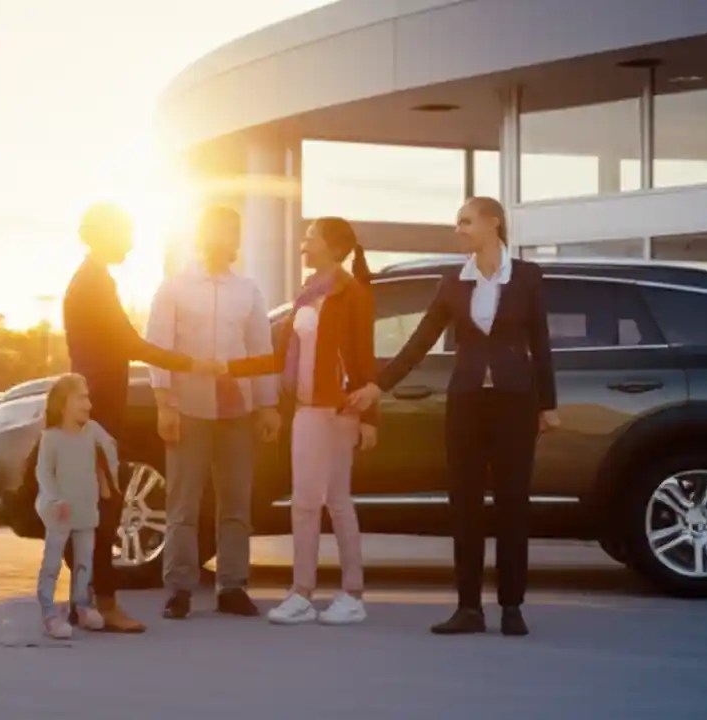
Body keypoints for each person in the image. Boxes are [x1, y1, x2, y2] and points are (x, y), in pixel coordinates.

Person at [347, 197, 559, 637]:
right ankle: (468, 608)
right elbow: (421, 339)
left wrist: (547, 405)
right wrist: (378, 386)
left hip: (515, 402)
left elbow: (540, 341)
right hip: (466, 403)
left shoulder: (527, 276)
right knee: (464, 506)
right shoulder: (453, 282)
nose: (458, 229)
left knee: (512, 505)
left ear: (493, 223)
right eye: (457, 223)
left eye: (465, 221)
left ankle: (512, 607)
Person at [63, 202, 221, 633]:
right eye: (125, 234)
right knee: (103, 507)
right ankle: (105, 604)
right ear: (105, 235)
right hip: (96, 408)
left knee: (91, 507)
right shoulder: (94, 283)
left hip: (89, 405)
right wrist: (191, 363)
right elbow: (130, 343)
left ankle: (84, 603)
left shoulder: (90, 279)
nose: (131, 243)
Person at [227, 216, 377, 626]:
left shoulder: (352, 293)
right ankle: (303, 593)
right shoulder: (308, 294)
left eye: (310, 238)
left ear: (333, 246)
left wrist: (369, 417)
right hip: (306, 409)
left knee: (337, 501)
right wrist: (227, 368)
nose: (303, 245)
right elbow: (281, 356)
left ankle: (352, 594)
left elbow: (364, 357)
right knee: (305, 503)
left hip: (339, 410)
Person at [146, 205, 281, 620]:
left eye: (231, 231)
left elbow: (261, 351)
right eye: (218, 230)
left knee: (236, 503)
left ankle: (232, 587)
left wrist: (268, 405)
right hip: (188, 409)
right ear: (203, 235)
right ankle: (179, 590)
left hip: (237, 411)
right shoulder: (174, 288)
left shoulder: (249, 291)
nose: (225, 238)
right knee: (183, 504)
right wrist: (164, 404)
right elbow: (159, 349)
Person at [34, 374, 116, 640]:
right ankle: (49, 612)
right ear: (63, 404)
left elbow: (110, 447)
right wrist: (54, 499)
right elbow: (44, 473)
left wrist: (108, 477)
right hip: (60, 511)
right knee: (53, 562)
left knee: (84, 561)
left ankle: (81, 605)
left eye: (88, 398)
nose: (88, 405)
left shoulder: (92, 431)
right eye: (81, 398)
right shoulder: (51, 438)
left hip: (85, 507)